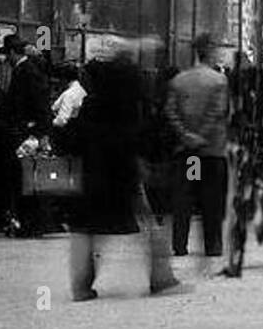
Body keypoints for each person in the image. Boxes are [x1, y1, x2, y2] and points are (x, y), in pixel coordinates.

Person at [57, 38, 186, 301]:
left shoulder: (85, 85)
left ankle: (81, 286)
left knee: (84, 226)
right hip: (123, 162)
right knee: (147, 219)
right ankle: (161, 276)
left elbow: (64, 123)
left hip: (90, 163)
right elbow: (142, 124)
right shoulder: (132, 83)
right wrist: (147, 155)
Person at [165, 33, 230, 259]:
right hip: (211, 151)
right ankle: (212, 245)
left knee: (185, 195)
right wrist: (201, 136)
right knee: (212, 198)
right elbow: (217, 112)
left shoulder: (179, 80)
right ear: (210, 51)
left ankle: (180, 244)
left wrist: (186, 136)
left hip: (190, 154)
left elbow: (171, 111)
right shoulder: (219, 80)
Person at [0, 33, 52, 235]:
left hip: (26, 134)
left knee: (24, 180)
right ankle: (28, 222)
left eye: (7, 54)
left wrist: (39, 133)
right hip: (28, 131)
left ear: (12, 52)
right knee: (25, 180)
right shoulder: (27, 70)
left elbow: (38, 104)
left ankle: (29, 224)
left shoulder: (26, 71)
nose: (6, 59)